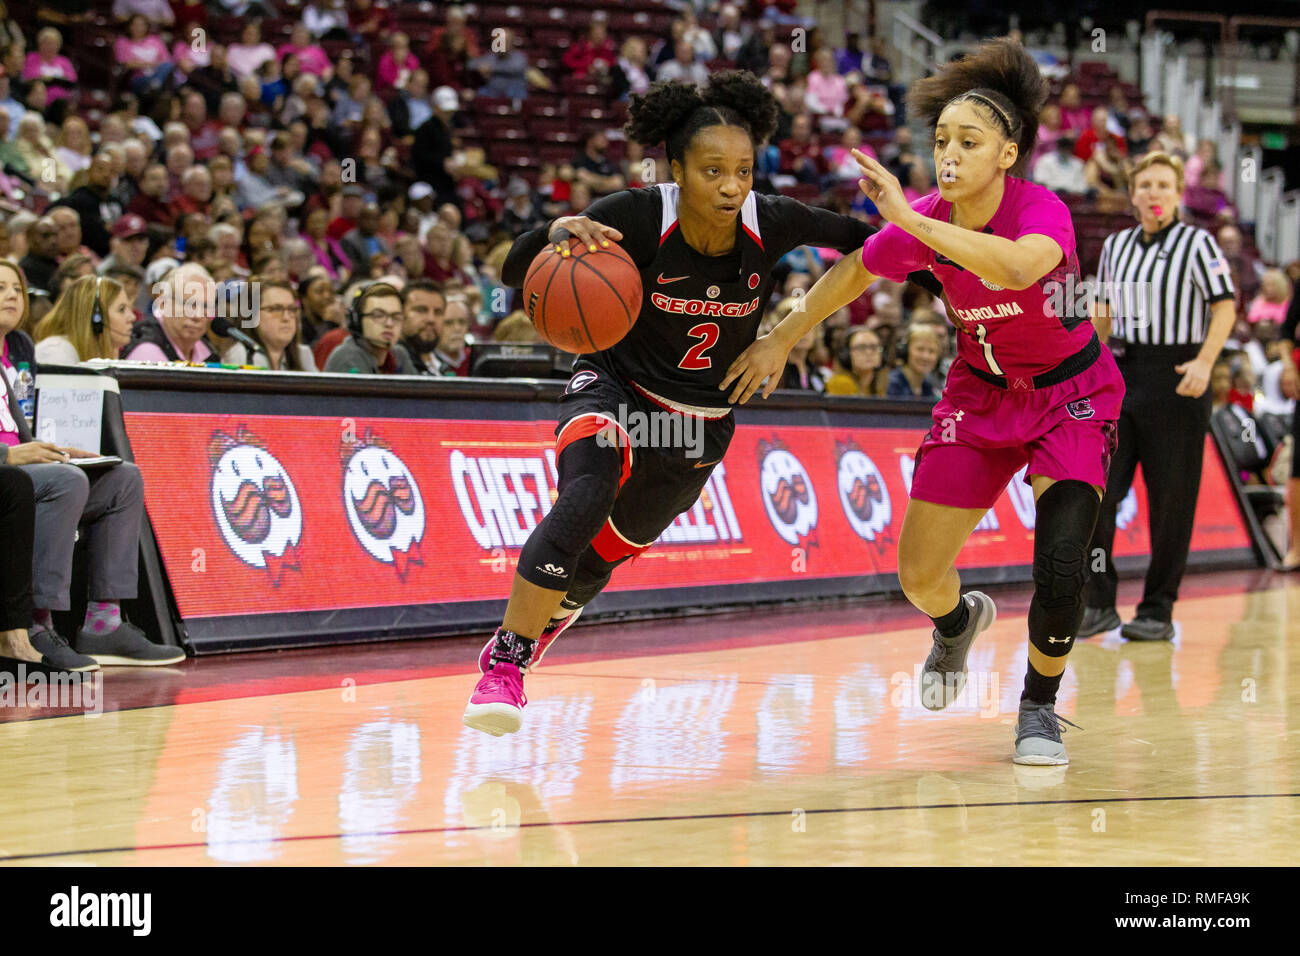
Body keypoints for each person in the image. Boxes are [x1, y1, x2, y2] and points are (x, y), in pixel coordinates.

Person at [725, 37, 1125, 766]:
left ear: (1006, 154)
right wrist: (783, 337)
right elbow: (851, 272)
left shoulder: (1042, 212)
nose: (949, 153)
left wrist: (912, 224)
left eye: (968, 142)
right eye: (942, 139)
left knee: (1063, 558)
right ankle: (955, 622)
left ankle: (1037, 707)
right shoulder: (929, 217)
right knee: (917, 575)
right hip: (979, 397)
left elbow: (1013, 271)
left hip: (1073, 394)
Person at [463, 70, 888, 737]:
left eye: (743, 170)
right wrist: (555, 232)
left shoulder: (769, 221)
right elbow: (515, 268)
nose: (730, 185)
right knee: (585, 495)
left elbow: (873, 247)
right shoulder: (634, 214)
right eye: (712, 169)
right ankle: (506, 664)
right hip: (615, 384)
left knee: (602, 558)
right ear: (677, 169)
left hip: (700, 423)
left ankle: (544, 625)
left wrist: (784, 335)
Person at [1082, 151, 1236, 640]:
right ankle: (1100, 601)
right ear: (1132, 194)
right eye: (1145, 184)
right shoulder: (1116, 246)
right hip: (1123, 377)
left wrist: (1206, 363)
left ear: (1177, 194)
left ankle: (1157, 609)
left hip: (1178, 377)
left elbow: (1226, 307)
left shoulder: (1198, 243)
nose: (1153, 193)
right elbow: (1102, 314)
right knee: (1098, 496)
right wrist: (1090, 365)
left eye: (1164, 185)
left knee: (1171, 504)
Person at [0, 260, 183, 668]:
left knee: (122, 478)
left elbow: (20, 429)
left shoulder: (19, 349)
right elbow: (12, 448)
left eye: (17, 288)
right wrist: (11, 455)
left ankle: (105, 624)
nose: (12, 295)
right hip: (9, 476)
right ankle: (35, 622)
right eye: (1, 287)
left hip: (28, 470)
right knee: (65, 483)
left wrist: (56, 449)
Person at [122, 263, 216, 363]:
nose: (198, 315)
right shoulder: (146, 352)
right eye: (190, 304)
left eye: (206, 306)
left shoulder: (207, 350)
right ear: (163, 303)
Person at [33, 274, 133, 364]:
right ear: (95, 317)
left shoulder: (102, 353)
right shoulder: (55, 352)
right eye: (121, 309)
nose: (132, 317)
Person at [222, 278, 316, 371]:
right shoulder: (240, 356)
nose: (286, 317)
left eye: (292, 309)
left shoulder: (303, 354)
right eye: (275, 309)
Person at [323, 281, 416, 374]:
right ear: (357, 321)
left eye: (396, 317)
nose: (389, 323)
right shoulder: (346, 357)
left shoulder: (399, 355)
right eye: (379, 315)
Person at [398, 279, 446, 375]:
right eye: (421, 310)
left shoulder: (443, 365)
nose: (431, 319)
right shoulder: (392, 363)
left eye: (438, 312)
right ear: (400, 314)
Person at [885, 324, 943, 399]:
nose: (925, 357)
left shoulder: (928, 387)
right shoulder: (891, 383)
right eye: (920, 349)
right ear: (906, 351)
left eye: (931, 351)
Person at [824, 325, 884, 396]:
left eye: (874, 347)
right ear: (846, 354)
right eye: (861, 347)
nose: (869, 352)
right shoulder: (840, 383)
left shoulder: (881, 383)